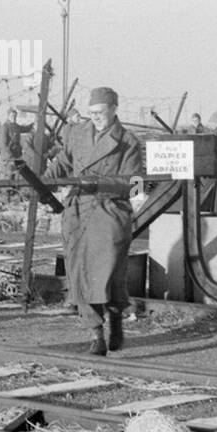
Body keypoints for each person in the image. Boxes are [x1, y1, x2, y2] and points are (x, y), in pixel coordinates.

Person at [45, 86, 143, 356]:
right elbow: (64, 163)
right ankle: (96, 334)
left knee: (108, 272)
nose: (96, 117)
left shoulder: (128, 142)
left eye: (100, 112)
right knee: (80, 274)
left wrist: (99, 182)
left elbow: (134, 185)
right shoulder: (76, 134)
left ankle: (115, 319)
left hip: (109, 211)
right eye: (92, 113)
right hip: (77, 212)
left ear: (114, 109)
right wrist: (44, 179)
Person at [0, 108, 27, 179]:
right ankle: (5, 189)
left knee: (17, 176)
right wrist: (9, 156)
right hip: (8, 157)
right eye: (12, 116)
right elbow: (3, 144)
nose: (14, 117)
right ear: (8, 116)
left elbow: (24, 129)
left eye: (15, 116)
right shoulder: (5, 127)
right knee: (8, 176)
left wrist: (32, 125)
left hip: (17, 155)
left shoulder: (16, 126)